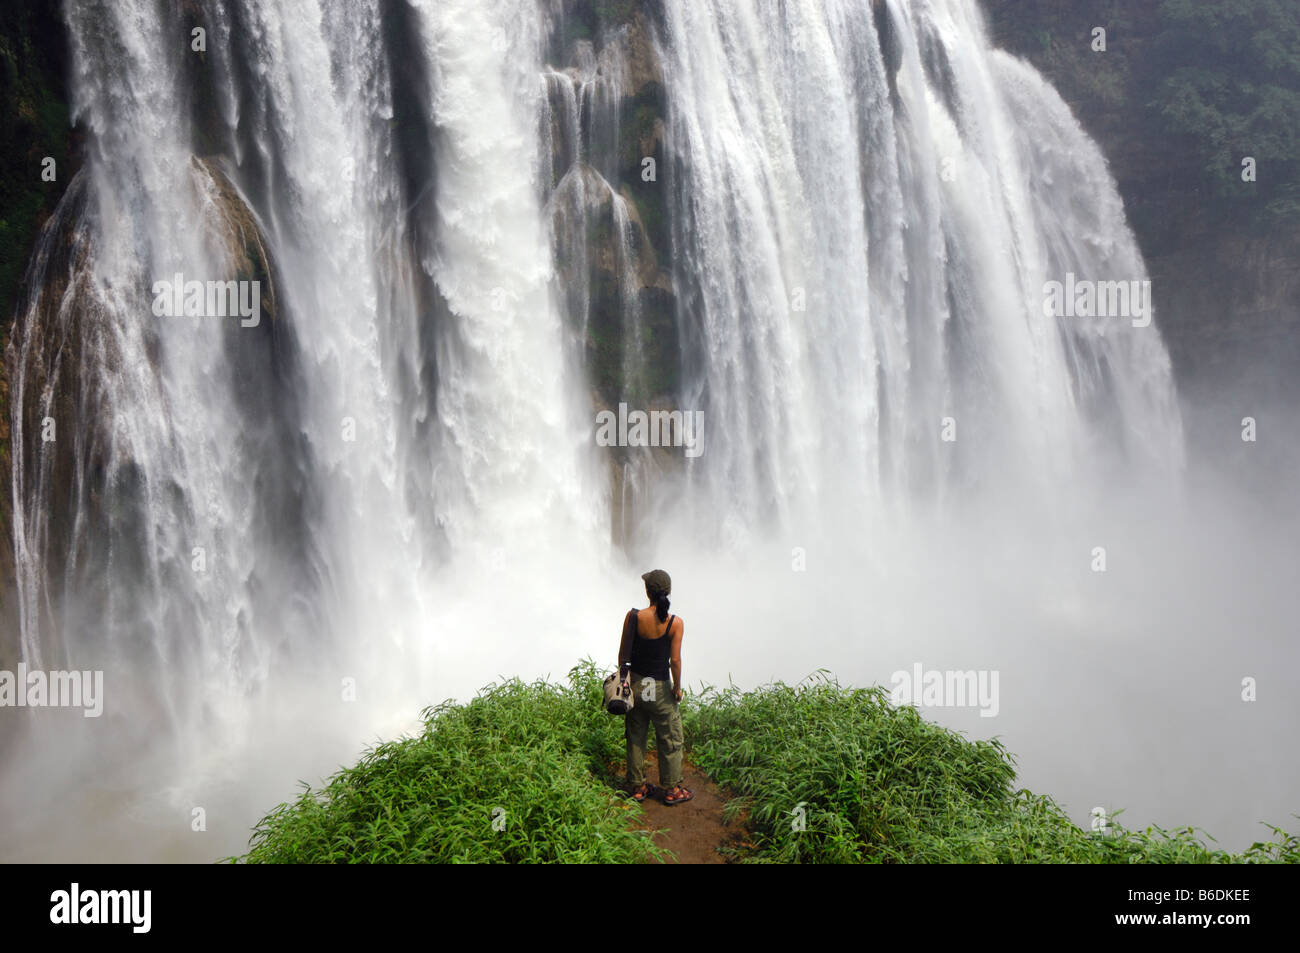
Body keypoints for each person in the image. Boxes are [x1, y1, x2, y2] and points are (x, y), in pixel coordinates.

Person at [618, 569, 693, 805]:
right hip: (660, 688)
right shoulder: (675, 623)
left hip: (638, 685)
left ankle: (638, 787)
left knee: (636, 736)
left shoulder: (633, 618)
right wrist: (677, 688)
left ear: (647, 592)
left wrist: (625, 681)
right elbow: (676, 661)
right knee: (670, 737)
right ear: (667, 592)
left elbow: (623, 655)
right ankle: (671, 789)